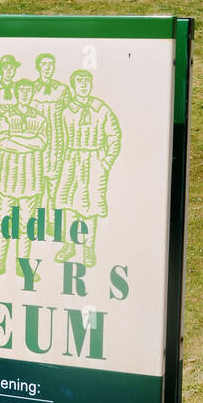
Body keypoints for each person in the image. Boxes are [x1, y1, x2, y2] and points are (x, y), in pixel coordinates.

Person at [54, 70, 121, 267]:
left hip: (93, 161)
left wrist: (105, 162)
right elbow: (59, 140)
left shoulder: (101, 109)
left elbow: (114, 137)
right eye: (79, 82)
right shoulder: (66, 111)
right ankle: (69, 245)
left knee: (90, 207)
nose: (83, 85)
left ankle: (88, 248)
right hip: (71, 161)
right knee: (69, 206)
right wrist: (59, 163)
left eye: (86, 82)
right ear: (73, 86)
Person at [0, 78, 48, 277]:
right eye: (21, 90)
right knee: (4, 223)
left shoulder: (40, 118)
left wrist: (16, 140)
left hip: (31, 179)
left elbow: (42, 142)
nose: (25, 93)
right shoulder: (6, 117)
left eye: (28, 90)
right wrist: (28, 142)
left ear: (32, 93)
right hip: (8, 178)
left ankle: (22, 265)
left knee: (26, 225)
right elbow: (2, 142)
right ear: (16, 93)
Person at [30, 52, 70, 213]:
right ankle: (34, 222)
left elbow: (68, 117)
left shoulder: (62, 89)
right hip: (36, 145)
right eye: (44, 64)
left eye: (50, 65)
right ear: (38, 67)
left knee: (55, 187)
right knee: (36, 187)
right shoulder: (30, 88)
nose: (47, 68)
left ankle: (52, 222)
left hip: (56, 143)